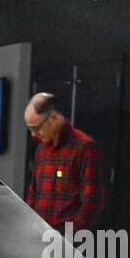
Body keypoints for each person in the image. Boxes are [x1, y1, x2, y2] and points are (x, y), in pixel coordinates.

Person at [23, 92, 105, 234]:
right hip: (38, 232)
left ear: (54, 118)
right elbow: (33, 191)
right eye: (30, 128)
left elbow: (93, 199)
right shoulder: (42, 149)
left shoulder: (84, 147)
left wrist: (71, 233)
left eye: (36, 128)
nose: (33, 134)